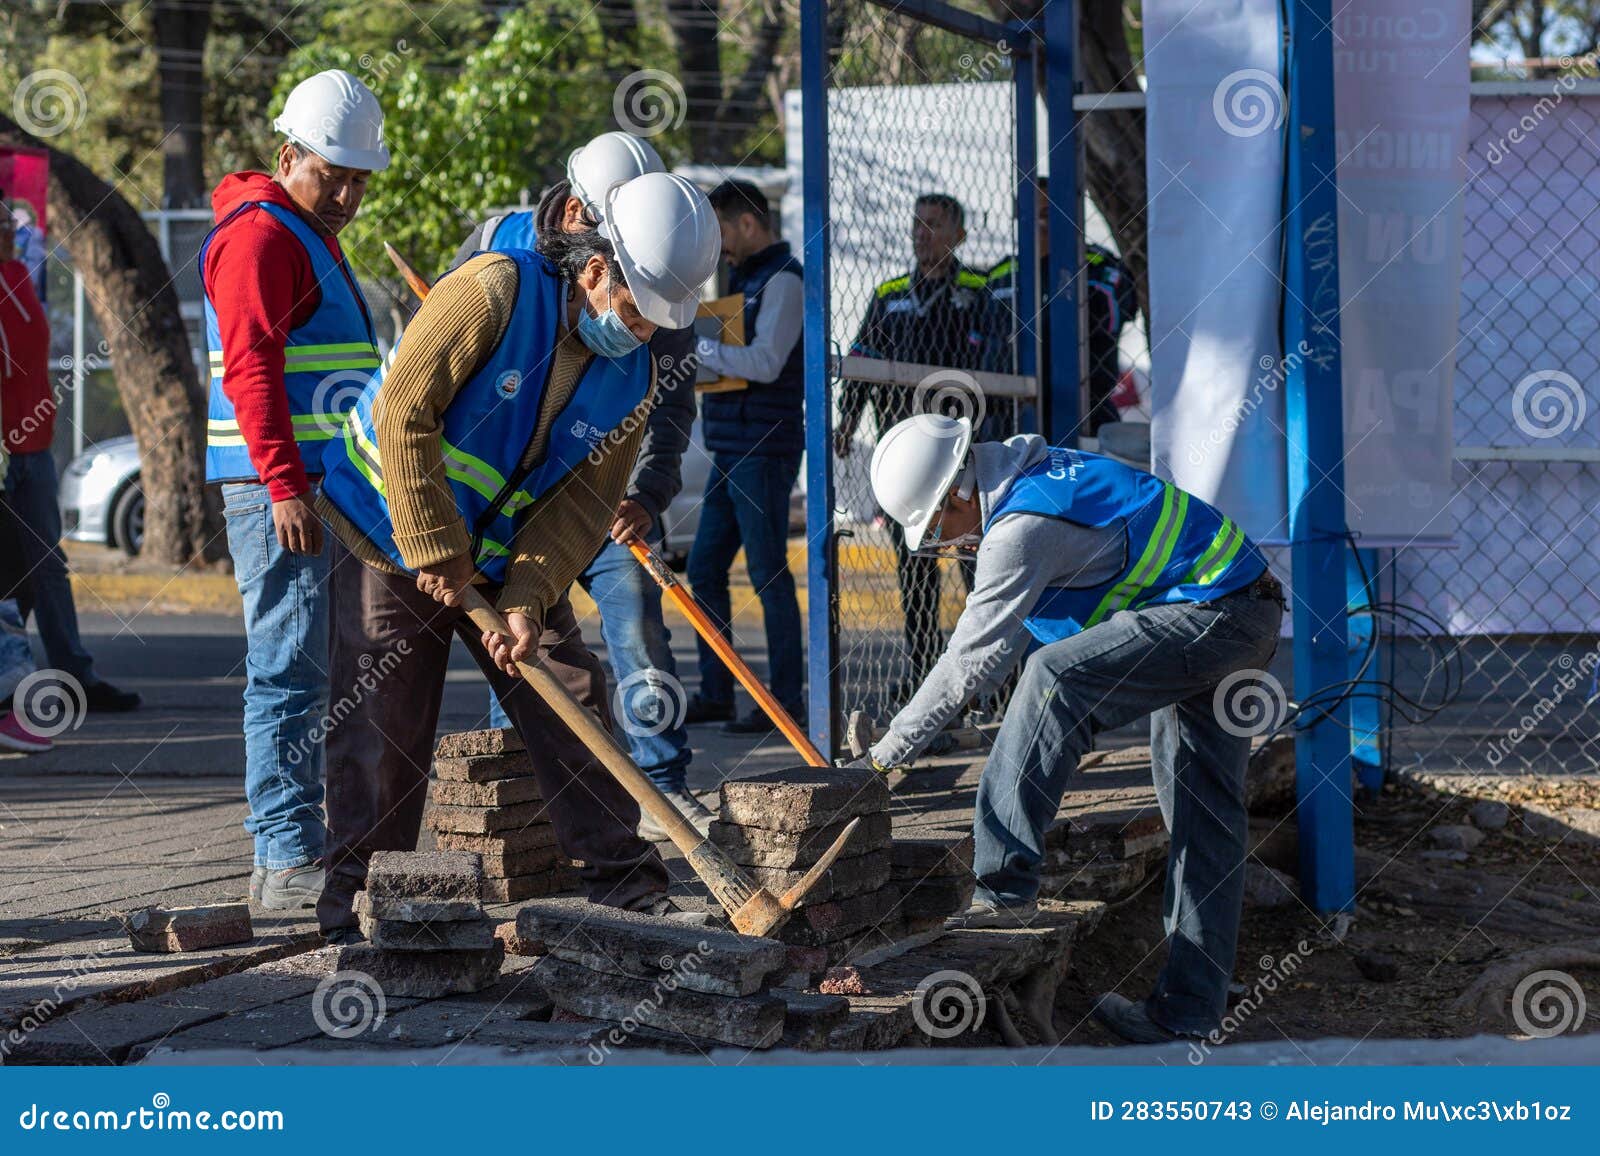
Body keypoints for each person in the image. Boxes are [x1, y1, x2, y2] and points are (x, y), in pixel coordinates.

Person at [314, 172, 721, 941]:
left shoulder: (633, 374)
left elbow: (581, 506)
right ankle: (357, 912)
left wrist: (529, 602)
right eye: (635, 312)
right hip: (387, 525)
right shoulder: (495, 289)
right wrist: (435, 547)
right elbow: (405, 410)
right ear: (595, 270)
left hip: (499, 557)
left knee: (568, 685)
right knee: (383, 725)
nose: (639, 333)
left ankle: (628, 889)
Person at [861, 414, 1284, 1045]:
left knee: (1053, 677)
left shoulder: (1020, 531)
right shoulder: (1038, 472)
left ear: (959, 492)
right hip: (1240, 607)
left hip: (1212, 617)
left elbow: (972, 661)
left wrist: (883, 757)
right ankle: (1191, 1010)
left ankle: (1002, 898)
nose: (944, 546)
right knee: (1206, 811)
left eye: (936, 529)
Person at [452, 132, 708, 839]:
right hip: (513, 501)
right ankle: (525, 797)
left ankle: (662, 783)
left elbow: (671, 402)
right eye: (596, 229)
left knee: (635, 635)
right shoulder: (499, 252)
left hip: (604, 495)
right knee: (520, 650)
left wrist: (647, 496)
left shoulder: (659, 266)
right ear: (574, 212)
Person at [200, 69, 388, 910]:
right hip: (282, 491)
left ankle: (313, 850)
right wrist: (284, 486)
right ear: (288, 156)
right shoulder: (263, 237)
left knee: (323, 667)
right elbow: (252, 368)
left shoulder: (300, 229)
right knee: (288, 671)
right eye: (332, 174)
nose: (348, 194)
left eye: (359, 179)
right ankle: (283, 863)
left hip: (317, 488)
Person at [835, 193, 1004, 691]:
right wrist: (848, 420)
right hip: (905, 454)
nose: (921, 233)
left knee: (978, 571)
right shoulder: (889, 292)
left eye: (934, 224)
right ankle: (925, 672)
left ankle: (987, 679)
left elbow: (995, 365)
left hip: (963, 453)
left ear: (960, 235)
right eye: (917, 223)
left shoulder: (979, 291)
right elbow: (862, 358)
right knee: (916, 570)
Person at [1, 190, 141, 723]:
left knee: (44, 568)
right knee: (23, 570)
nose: (9, 232)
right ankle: (30, 677)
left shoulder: (16, 276)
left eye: (9, 223)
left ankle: (70, 675)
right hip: (8, 453)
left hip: (31, 449)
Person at [683, 179, 806, 735]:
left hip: (764, 448)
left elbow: (765, 362)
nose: (719, 244)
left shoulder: (784, 283)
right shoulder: (744, 278)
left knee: (767, 573)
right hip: (730, 447)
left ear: (748, 223)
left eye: (723, 229)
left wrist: (698, 345)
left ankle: (785, 702)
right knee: (704, 568)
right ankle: (717, 690)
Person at [985, 178, 1140, 435]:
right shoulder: (1001, 273)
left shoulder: (1101, 268)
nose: (1038, 224)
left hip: (1084, 414)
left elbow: (1107, 322)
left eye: (1047, 215)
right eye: (1029, 215)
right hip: (1009, 419)